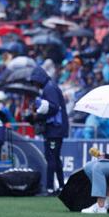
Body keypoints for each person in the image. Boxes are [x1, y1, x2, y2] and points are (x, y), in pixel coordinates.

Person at [30, 66, 69, 196]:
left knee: (52, 158)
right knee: (55, 158)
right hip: (55, 129)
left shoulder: (49, 88)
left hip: (55, 129)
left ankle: (50, 188)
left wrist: (38, 115)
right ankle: (62, 187)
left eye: (35, 81)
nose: (35, 84)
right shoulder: (50, 86)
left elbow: (53, 107)